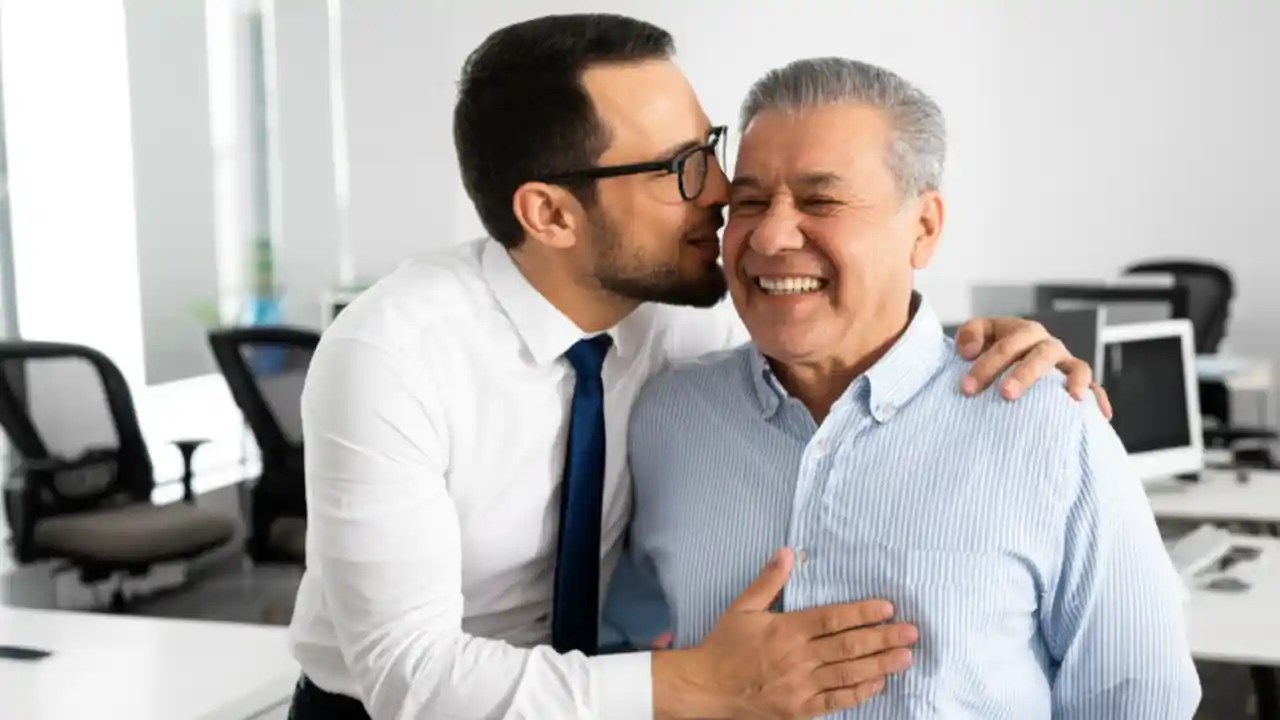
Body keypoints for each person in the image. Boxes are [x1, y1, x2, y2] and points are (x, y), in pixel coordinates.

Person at [288, 15, 1110, 720]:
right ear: (550, 214)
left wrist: (991, 348)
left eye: (708, 148)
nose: (721, 192)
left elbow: (840, 317)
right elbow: (409, 677)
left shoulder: (684, 321)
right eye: (676, 166)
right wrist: (701, 683)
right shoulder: (390, 355)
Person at [626, 56, 1201, 718]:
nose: (772, 236)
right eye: (750, 202)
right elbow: (611, 646)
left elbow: (1139, 700)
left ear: (923, 228)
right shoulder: (666, 417)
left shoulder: (1049, 425)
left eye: (821, 200)